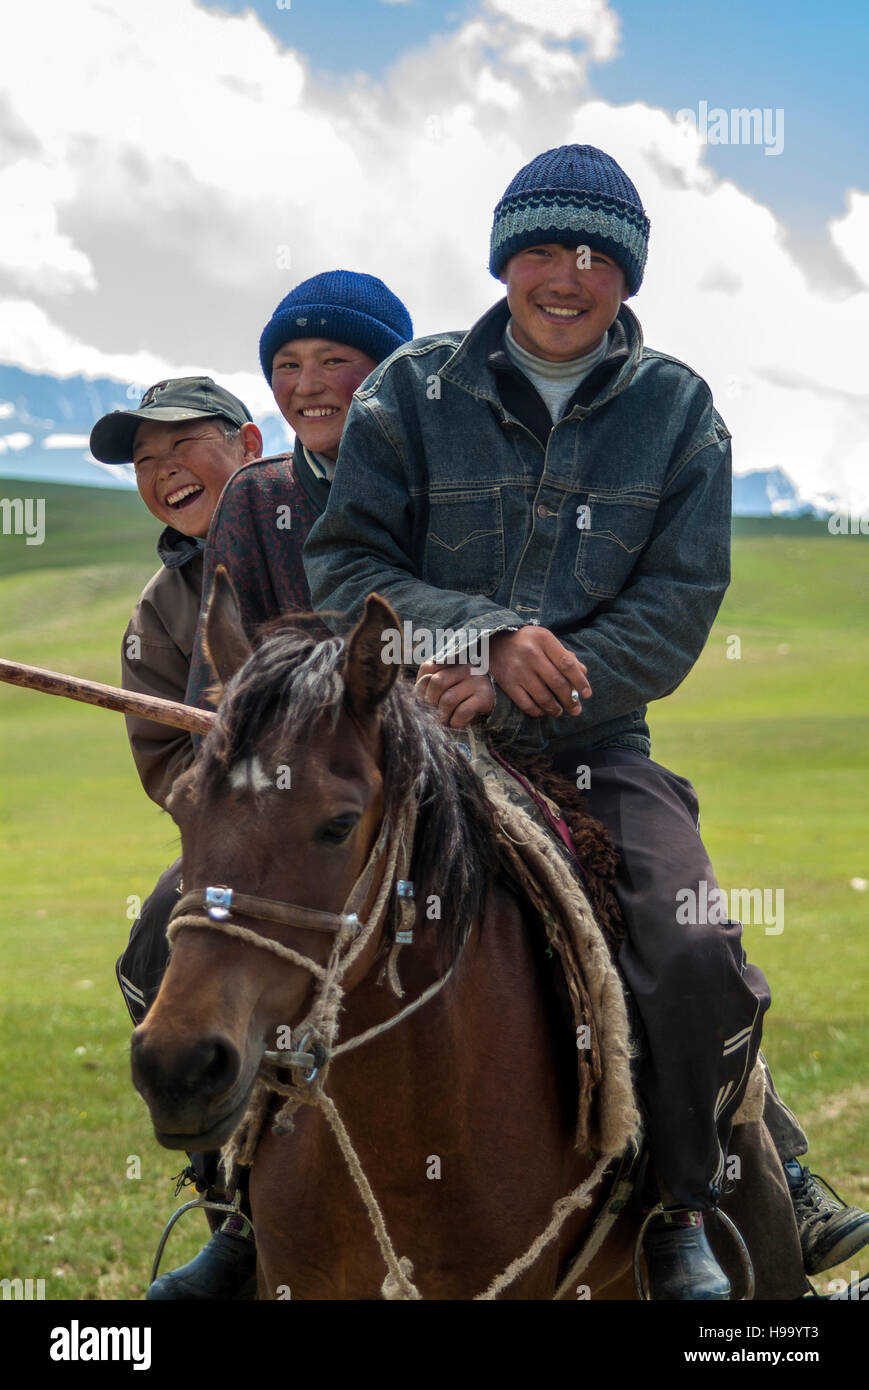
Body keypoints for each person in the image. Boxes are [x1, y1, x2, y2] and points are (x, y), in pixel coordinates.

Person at [303, 145, 869, 1297]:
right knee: (216, 923)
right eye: (543, 249)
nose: (568, 275)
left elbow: (672, 611)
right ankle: (242, 1217)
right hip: (414, 742)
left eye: (598, 255)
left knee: (696, 947)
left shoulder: (676, 411)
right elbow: (343, 564)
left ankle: (678, 1203)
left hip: (591, 750)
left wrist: (520, 680)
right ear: (505, 259)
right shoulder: (407, 392)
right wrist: (476, 633)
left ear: (627, 276)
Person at [97, 272, 413, 1300]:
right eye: (143, 462)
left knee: (646, 916)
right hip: (259, 828)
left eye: (179, 445)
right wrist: (252, 809)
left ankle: (728, 1172)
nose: (160, 470)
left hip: (397, 796)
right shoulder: (164, 602)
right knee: (159, 943)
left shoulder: (325, 497)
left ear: (242, 442)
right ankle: (233, 1199)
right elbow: (175, 747)